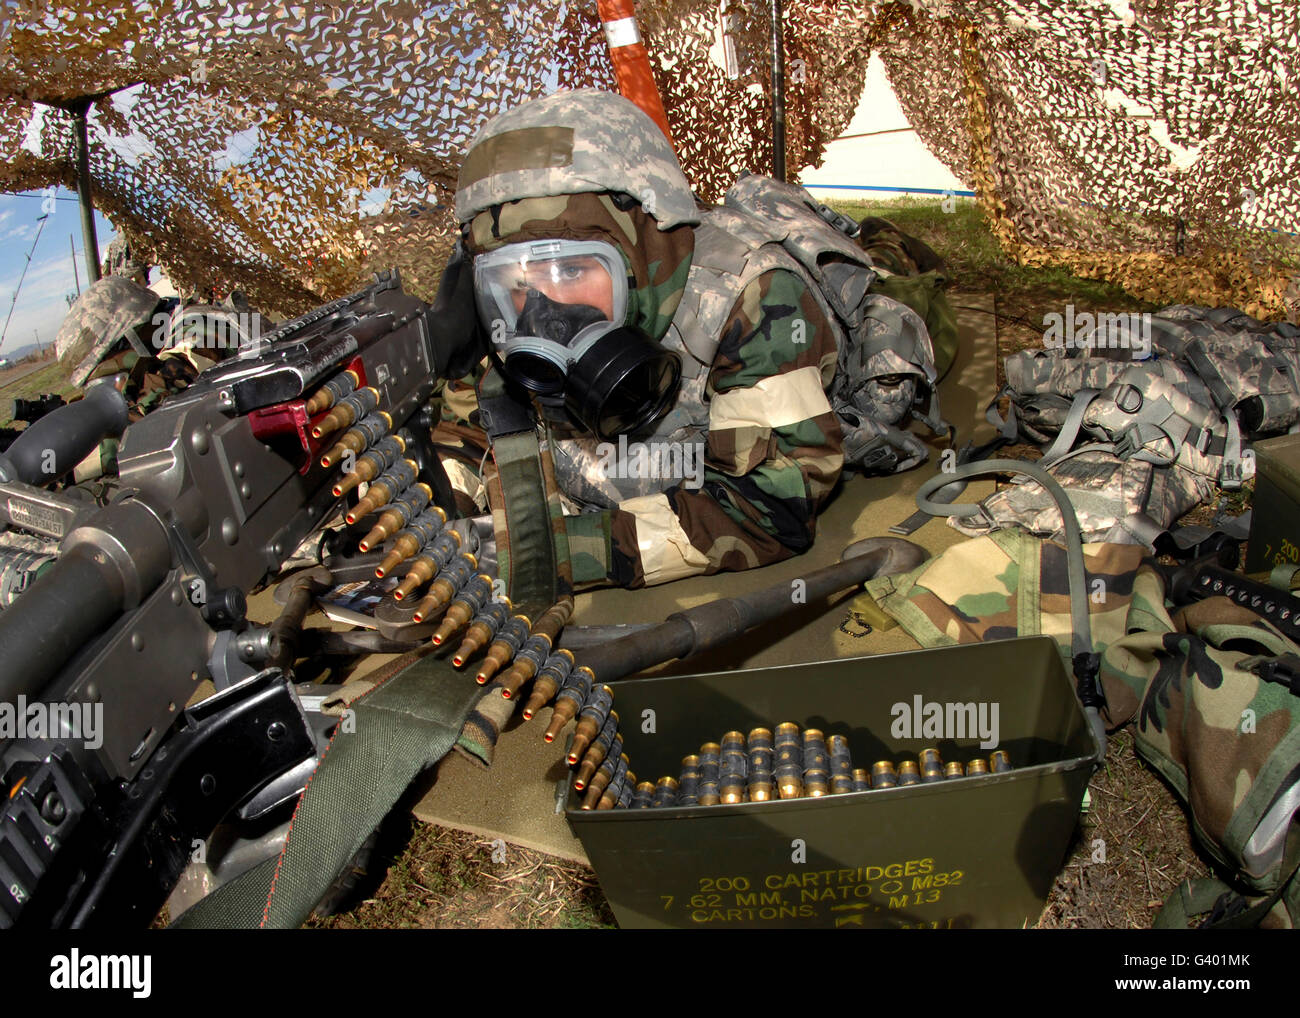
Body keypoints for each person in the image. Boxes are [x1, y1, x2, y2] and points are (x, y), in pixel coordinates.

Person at [450, 89, 938, 589]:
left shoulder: (752, 293)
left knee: (894, 295)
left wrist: (563, 555)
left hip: (826, 307)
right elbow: (471, 423)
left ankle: (890, 245)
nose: (544, 312)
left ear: (642, 253)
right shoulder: (512, 321)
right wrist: (449, 509)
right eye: (515, 281)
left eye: (572, 269)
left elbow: (775, 506)